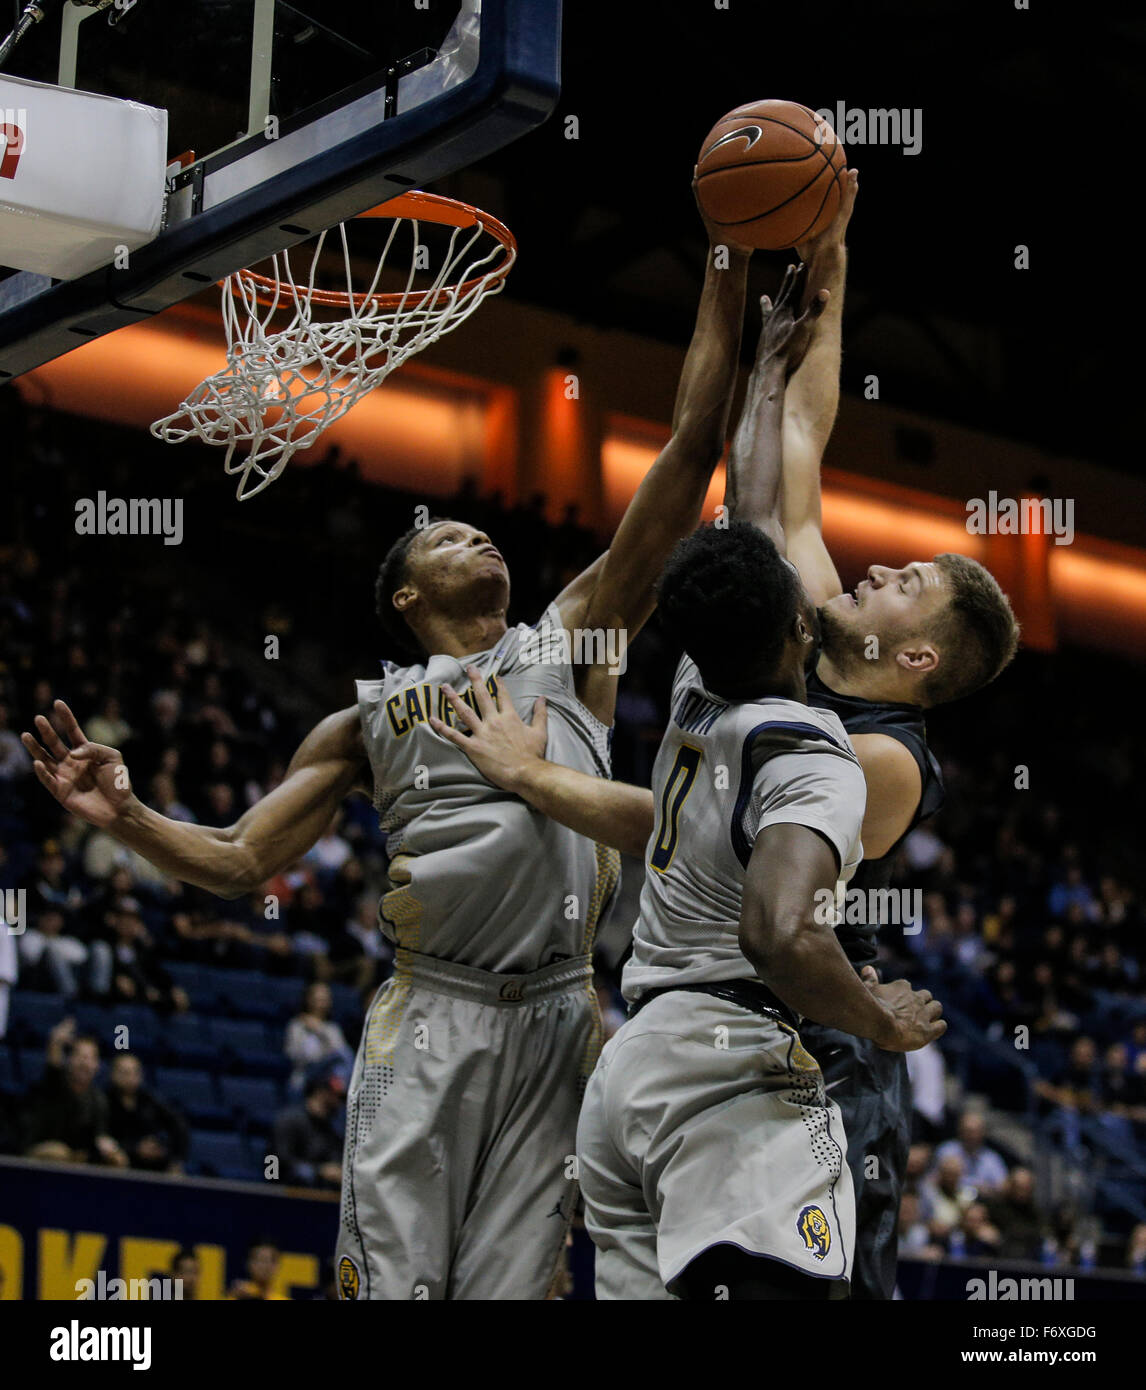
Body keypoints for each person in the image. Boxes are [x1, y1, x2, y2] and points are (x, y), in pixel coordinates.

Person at [22, 198, 757, 1301]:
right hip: (434, 1008)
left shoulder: (573, 642)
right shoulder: (362, 720)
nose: (481, 533)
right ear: (408, 593)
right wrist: (126, 816)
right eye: (450, 536)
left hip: (560, 1013)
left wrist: (725, 258)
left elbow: (690, 446)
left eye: (484, 530)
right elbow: (235, 861)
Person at [433, 282, 944, 1299]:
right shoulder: (816, 751)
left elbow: (751, 514)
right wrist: (882, 1022)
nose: (861, 576)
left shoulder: (700, 694)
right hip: (728, 1063)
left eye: (904, 583)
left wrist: (758, 375)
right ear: (795, 630)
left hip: (634, 1069)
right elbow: (780, 935)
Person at [720, 168, 1019, 1297]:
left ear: (919, 658)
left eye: (909, 583)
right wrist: (827, 260)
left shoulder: (888, 763)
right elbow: (797, 444)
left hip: (829, 1059)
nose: (880, 564)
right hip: (731, 1025)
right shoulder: (807, 636)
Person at [21, 1018, 127, 1166]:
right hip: (42, 1149)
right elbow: (54, 1064)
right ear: (69, 1060)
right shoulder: (55, 1083)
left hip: (79, 1155)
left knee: (117, 1159)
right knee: (60, 1152)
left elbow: (99, 1135)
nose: (85, 1063)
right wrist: (56, 1042)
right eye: (80, 1056)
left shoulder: (98, 1099)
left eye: (91, 1058)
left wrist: (108, 1147)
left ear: (98, 1065)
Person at [105, 1053, 189, 1173]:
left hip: (150, 1163)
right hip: (118, 1160)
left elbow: (178, 1124)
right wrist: (135, 1148)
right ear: (113, 1074)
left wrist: (176, 1158)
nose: (130, 1078)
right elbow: (102, 1136)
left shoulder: (149, 1099)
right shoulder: (104, 1100)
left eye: (135, 1072)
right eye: (125, 1073)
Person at [271, 1075, 345, 1188]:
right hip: (284, 1190)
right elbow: (276, 1160)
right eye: (336, 1096)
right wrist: (319, 1171)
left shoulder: (332, 1130)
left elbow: (336, 1159)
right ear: (321, 1092)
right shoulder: (289, 1120)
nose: (339, 1102)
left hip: (320, 1193)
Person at [933, 1111, 1008, 1193]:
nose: (971, 1135)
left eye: (975, 1131)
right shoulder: (946, 1150)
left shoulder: (991, 1158)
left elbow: (1002, 1187)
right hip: (948, 1198)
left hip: (981, 1202)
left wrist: (987, 1189)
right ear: (960, 1131)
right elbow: (932, 1179)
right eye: (967, 1131)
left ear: (983, 1133)